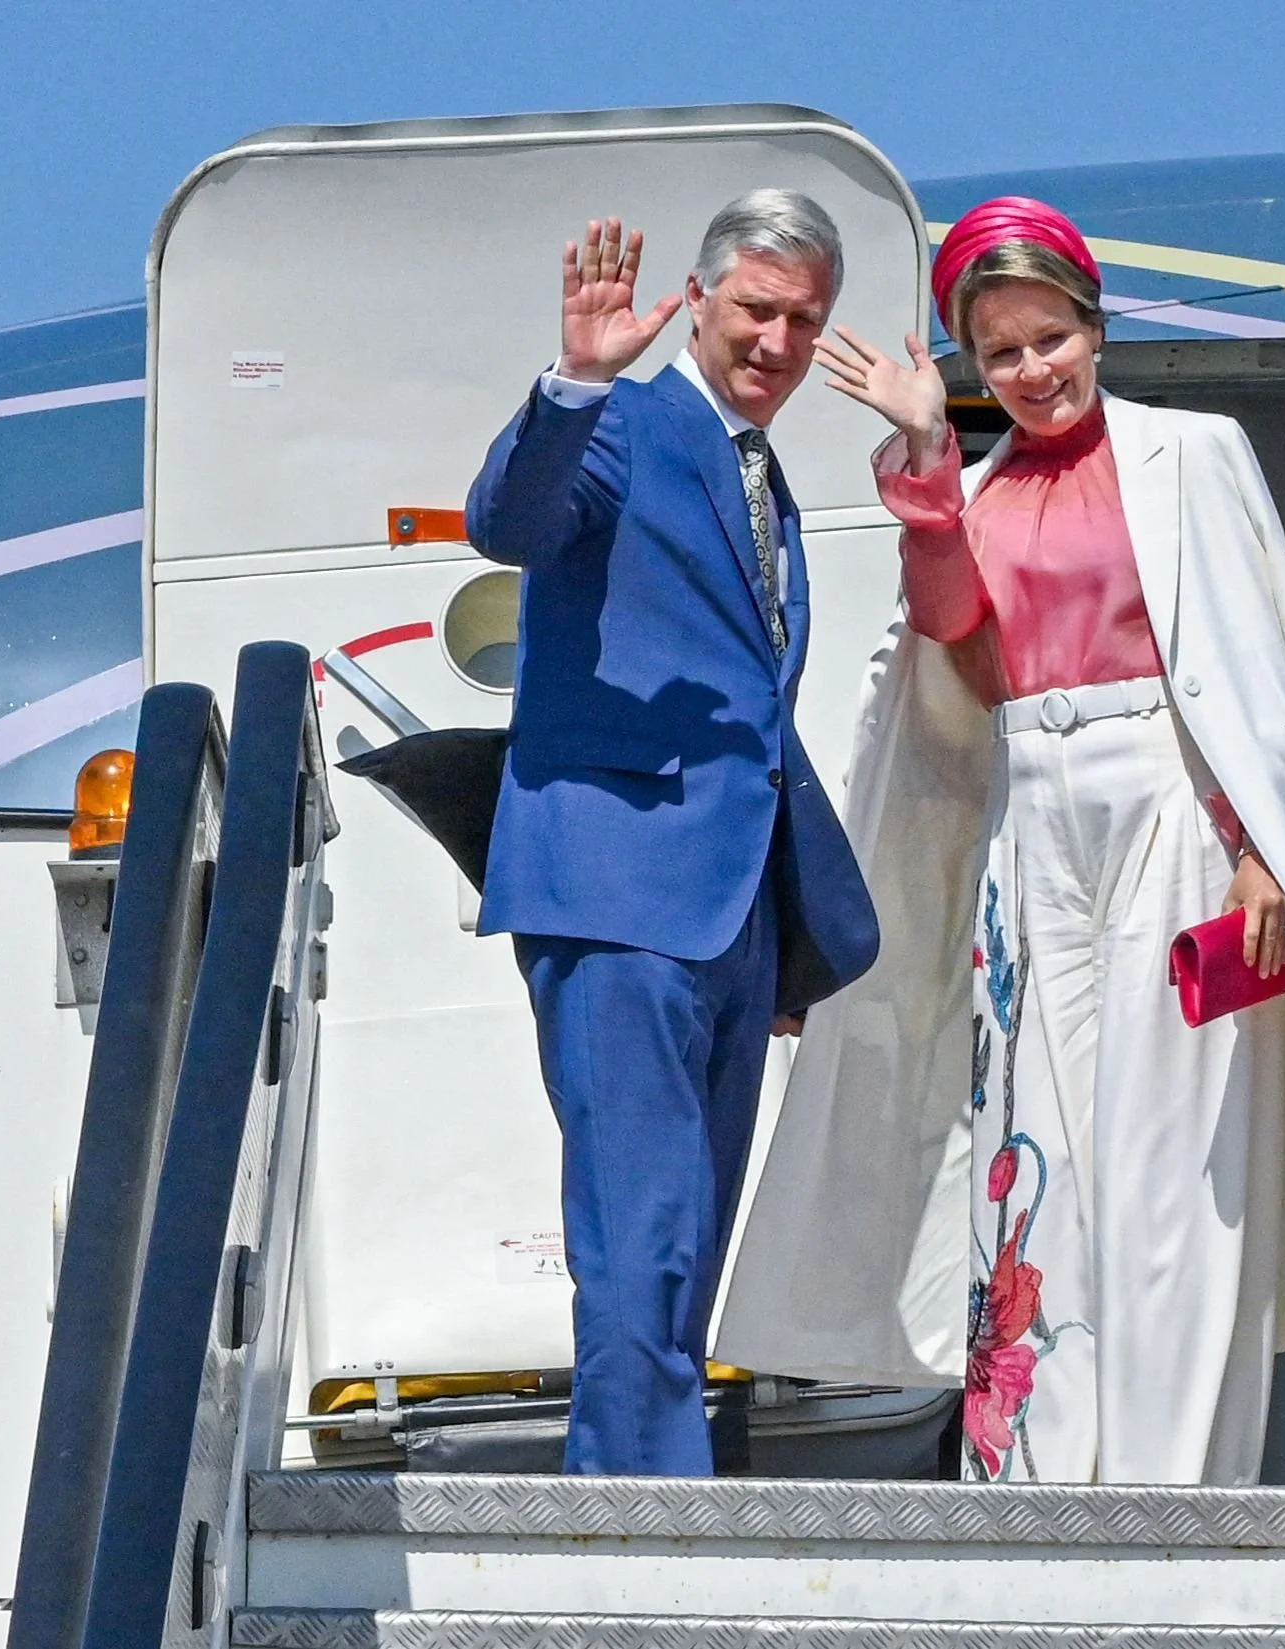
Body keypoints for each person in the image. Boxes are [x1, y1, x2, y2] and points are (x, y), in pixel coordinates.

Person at [715, 198, 1285, 1485]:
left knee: (1176, 1159)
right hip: (1027, 814)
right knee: (1034, 1147)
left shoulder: (1194, 452)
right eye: (1000, 355)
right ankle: (1045, 1477)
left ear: (1095, 326)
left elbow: (1260, 668)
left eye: (1050, 338)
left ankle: (1173, 1484)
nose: (1033, 372)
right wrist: (927, 459)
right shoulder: (977, 489)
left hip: (1169, 802)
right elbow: (955, 637)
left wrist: (1266, 845)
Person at [465, 192, 880, 1476]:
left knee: (687, 1236)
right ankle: (636, 1524)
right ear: (697, 302)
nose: (777, 341)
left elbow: (749, 700)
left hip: (725, 911)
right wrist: (578, 378)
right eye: (757, 309)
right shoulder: (627, 425)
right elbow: (511, 524)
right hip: (614, 887)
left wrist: (782, 921)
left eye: (802, 320)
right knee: (637, 1230)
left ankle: (647, 1495)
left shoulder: (763, 472)